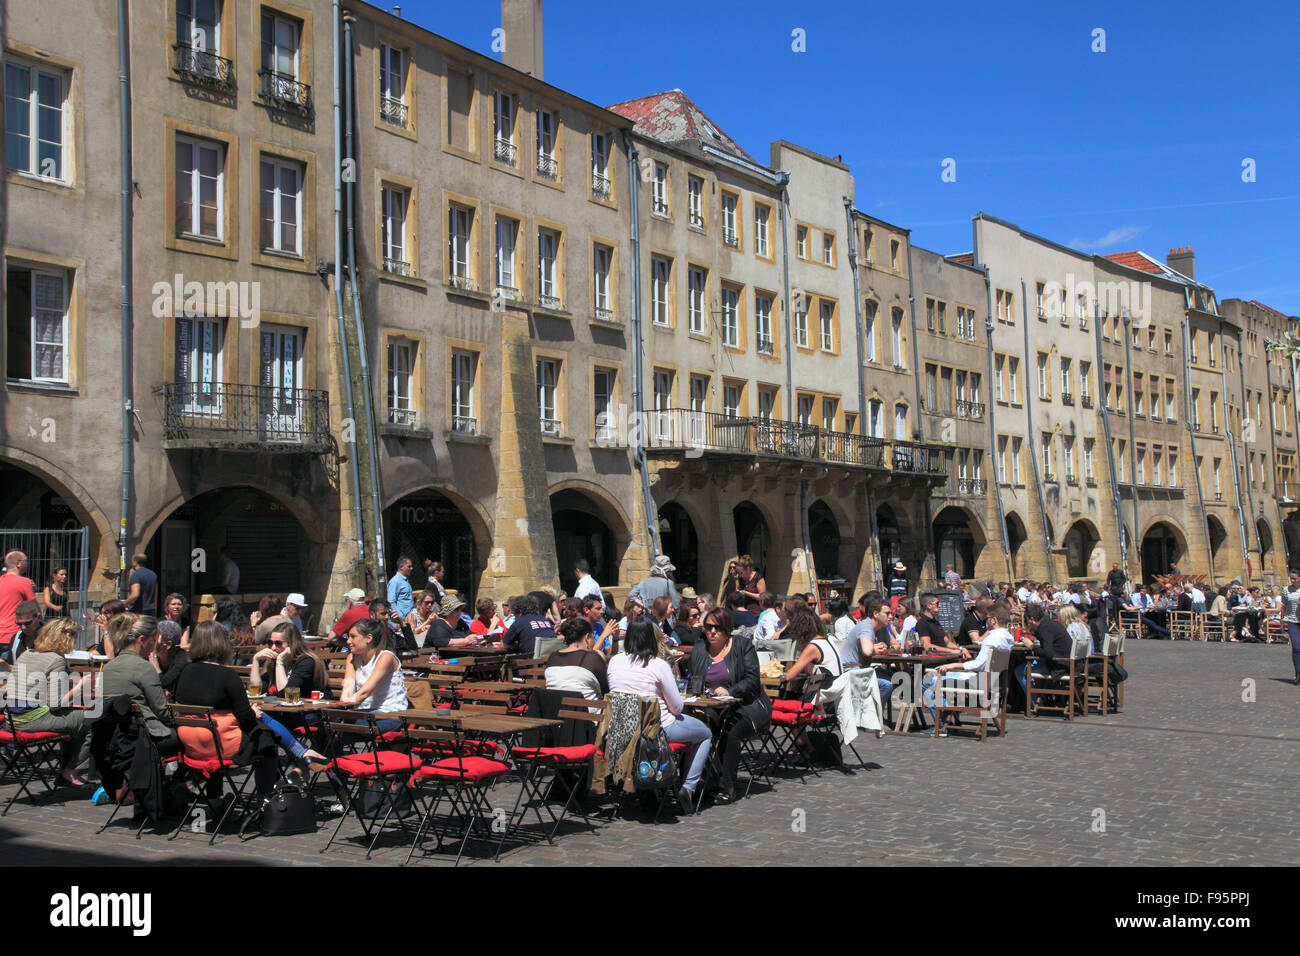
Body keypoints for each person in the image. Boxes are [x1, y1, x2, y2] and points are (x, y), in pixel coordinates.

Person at [175, 621, 323, 796]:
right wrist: (251, 712)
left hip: (190, 743)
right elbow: (246, 717)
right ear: (222, 643)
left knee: (258, 729)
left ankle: (215, 800)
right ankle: (266, 799)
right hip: (223, 745)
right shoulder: (227, 676)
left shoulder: (183, 672)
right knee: (266, 742)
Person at [607, 619, 711, 812]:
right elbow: (677, 707)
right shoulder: (658, 665)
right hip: (657, 730)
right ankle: (688, 788)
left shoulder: (614, 661)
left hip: (624, 729)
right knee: (705, 733)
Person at [686, 607, 769, 804]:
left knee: (729, 732)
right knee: (698, 726)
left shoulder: (742, 645)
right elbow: (692, 681)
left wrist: (730, 691)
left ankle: (727, 786)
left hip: (747, 704)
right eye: (708, 627)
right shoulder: (699, 649)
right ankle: (701, 783)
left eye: (718, 628)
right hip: (711, 705)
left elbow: (752, 680)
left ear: (727, 629)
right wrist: (696, 702)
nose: (713, 632)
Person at [9, 618, 92, 785]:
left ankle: (66, 769)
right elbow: (55, 703)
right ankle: (71, 769)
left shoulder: (27, 654)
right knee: (93, 718)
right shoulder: (56, 659)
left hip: (13, 719)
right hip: (32, 720)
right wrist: (80, 686)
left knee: (74, 720)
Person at [922, 601, 1020, 732]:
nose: (986, 621)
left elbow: (979, 664)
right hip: (994, 681)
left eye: (988, 618)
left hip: (980, 681)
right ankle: (946, 719)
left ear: (994, 620)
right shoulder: (1008, 637)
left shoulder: (991, 639)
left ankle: (941, 724)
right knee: (943, 678)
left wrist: (953, 665)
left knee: (928, 681)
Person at [99, 615, 180, 757]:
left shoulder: (108, 666)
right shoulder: (144, 667)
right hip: (143, 733)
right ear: (142, 640)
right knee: (189, 737)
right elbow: (162, 711)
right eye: (153, 640)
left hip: (113, 733)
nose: (154, 645)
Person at [340, 618, 407, 729]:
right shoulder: (351, 658)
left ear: (369, 638)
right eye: (348, 637)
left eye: (353, 637)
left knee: (343, 725)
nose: (348, 641)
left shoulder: (386, 657)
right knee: (330, 724)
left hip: (390, 713)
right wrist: (341, 706)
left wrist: (343, 708)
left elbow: (364, 692)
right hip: (364, 712)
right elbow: (348, 686)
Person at [252, 621, 329, 698]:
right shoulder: (272, 662)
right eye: (270, 643)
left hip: (310, 708)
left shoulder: (306, 662)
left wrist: (280, 662)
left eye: (278, 643)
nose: (273, 648)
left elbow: (286, 694)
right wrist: (255, 660)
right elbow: (256, 691)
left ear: (292, 644)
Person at [837, 598, 895, 701]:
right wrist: (874, 649)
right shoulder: (866, 626)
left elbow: (897, 646)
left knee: (894, 677)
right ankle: (873, 715)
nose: (891, 617)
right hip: (850, 670)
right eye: (887, 613)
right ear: (876, 613)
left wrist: (885, 649)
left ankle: (872, 713)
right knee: (886, 685)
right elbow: (867, 651)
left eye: (891, 613)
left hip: (862, 669)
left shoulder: (881, 628)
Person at [544, 617, 609, 699]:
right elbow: (607, 690)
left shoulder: (552, 658)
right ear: (587, 637)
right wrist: (603, 662)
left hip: (555, 709)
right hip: (586, 710)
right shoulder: (592, 659)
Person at [1015, 603, 1074, 693]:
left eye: (1026, 621)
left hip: (1060, 666)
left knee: (1020, 671)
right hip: (1067, 662)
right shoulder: (1049, 622)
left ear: (1032, 619)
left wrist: (1031, 646)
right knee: (1029, 665)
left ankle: (1035, 703)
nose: (1026, 624)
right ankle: (1041, 697)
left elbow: (1048, 653)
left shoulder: (1045, 628)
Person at [784, 607, 842, 683]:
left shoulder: (813, 647)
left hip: (826, 691)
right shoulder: (828, 640)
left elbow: (789, 676)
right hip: (837, 689)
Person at [0, 551, 36, 657]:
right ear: (18, 563)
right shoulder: (24, 582)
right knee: (15, 670)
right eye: (26, 561)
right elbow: (34, 609)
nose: (28, 564)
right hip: (13, 635)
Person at [501, 593, 556, 658]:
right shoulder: (544, 619)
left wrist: (519, 645)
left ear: (520, 611)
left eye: (514, 613)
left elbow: (504, 645)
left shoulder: (520, 621)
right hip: (551, 659)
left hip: (532, 662)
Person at [153, 620, 190, 697]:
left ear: (168, 644)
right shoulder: (148, 655)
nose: (151, 640)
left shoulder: (182, 660)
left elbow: (163, 683)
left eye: (155, 637)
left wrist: (156, 668)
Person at [1282, 570, 1300, 685]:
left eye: (1295, 579)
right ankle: (1298, 673)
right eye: (1291, 578)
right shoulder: (1286, 590)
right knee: (1297, 647)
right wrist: (1281, 620)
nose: (1292, 581)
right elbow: (1283, 605)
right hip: (1292, 621)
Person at [386, 556, 415, 622]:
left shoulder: (405, 581)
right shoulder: (395, 581)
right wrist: (399, 616)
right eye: (409, 566)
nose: (411, 568)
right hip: (400, 619)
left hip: (409, 617)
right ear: (401, 567)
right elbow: (391, 601)